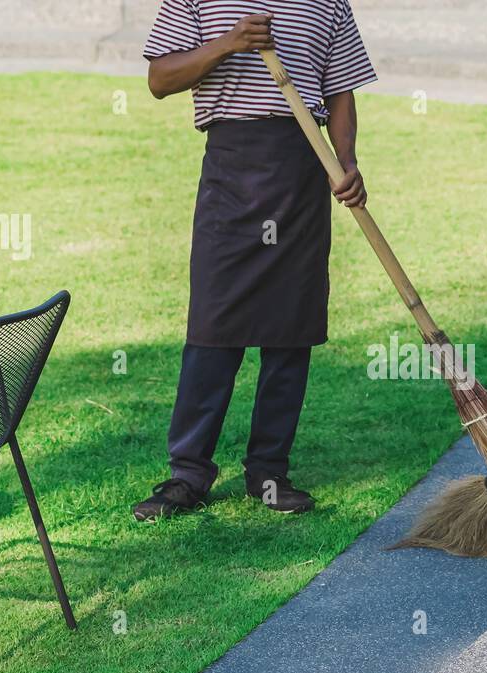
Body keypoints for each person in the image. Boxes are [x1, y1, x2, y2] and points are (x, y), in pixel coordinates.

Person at [133, 1, 377, 521]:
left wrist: (346, 160)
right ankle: (188, 475)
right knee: (214, 323)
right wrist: (229, 43)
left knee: (292, 327)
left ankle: (269, 472)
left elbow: (339, 89)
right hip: (232, 166)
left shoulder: (328, 3)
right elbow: (159, 77)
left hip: (302, 168)